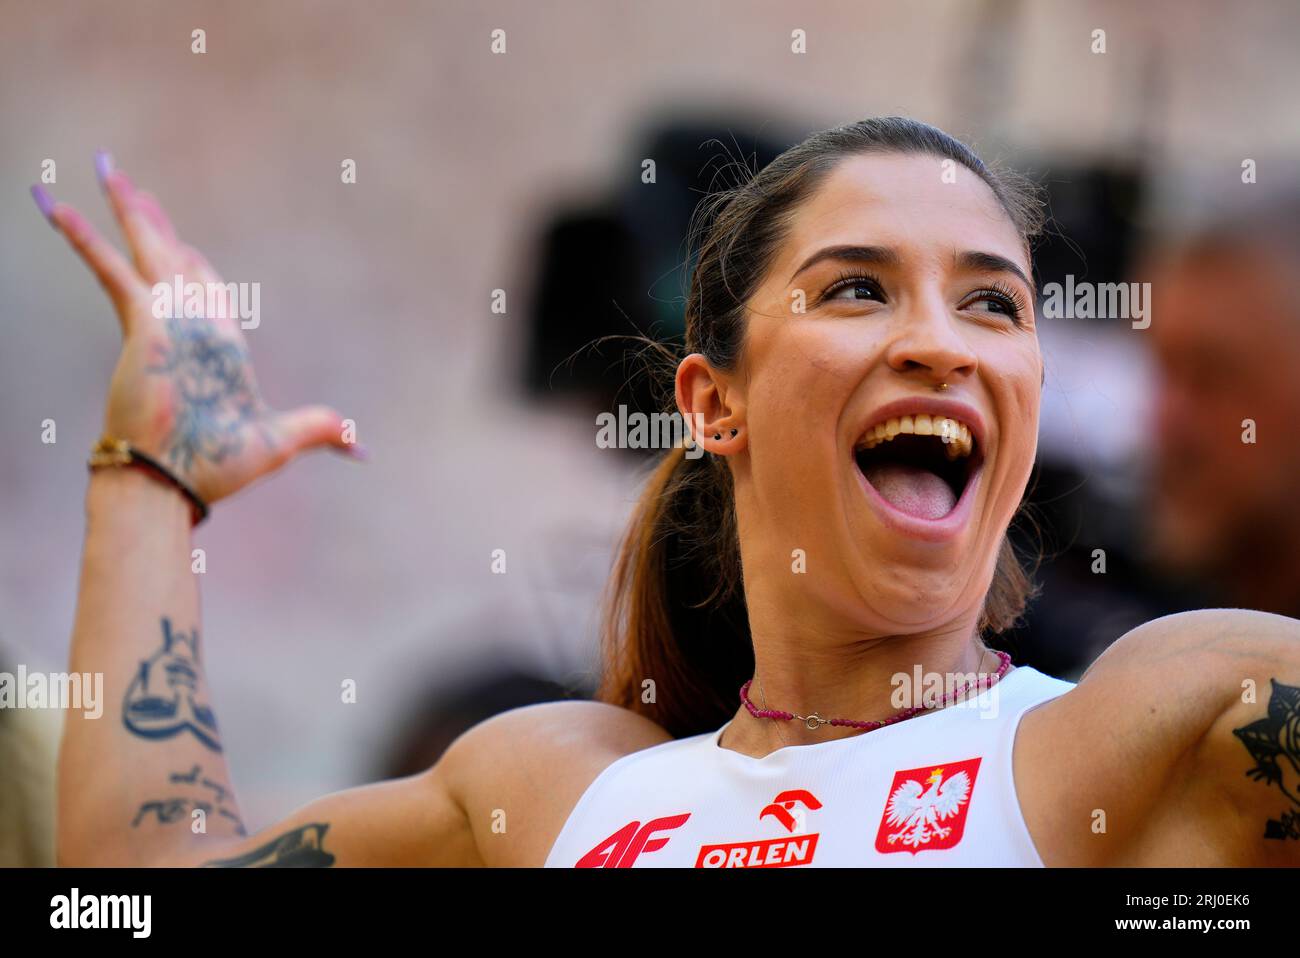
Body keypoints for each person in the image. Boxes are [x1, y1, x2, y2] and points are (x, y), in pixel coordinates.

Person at [37, 118, 1300, 867]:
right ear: (710, 402)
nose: (946, 342)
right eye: (859, 287)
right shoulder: (553, 792)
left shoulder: (1162, 737)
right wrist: (150, 482)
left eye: (993, 303)